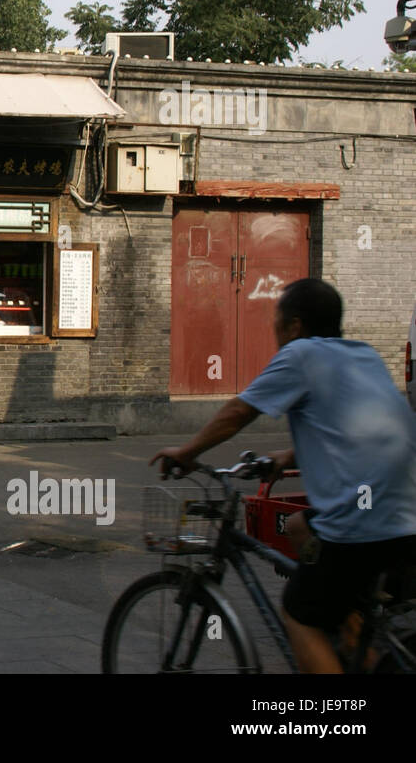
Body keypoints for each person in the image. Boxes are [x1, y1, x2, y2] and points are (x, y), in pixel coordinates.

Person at [152, 278, 416, 673]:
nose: (274, 331)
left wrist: (187, 453)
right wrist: (289, 455)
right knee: (298, 526)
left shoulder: (300, 354)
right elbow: (353, 427)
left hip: (363, 520)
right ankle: (358, 636)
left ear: (294, 326)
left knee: (299, 617)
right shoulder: (363, 355)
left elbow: (240, 412)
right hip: (406, 509)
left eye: (276, 322)